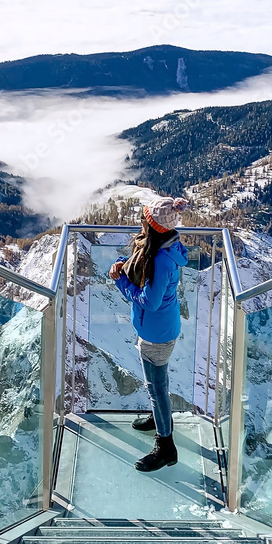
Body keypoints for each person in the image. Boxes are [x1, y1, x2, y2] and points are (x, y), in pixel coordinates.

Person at [109, 197, 189, 472]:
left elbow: (149, 301)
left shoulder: (162, 261)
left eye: (145, 219)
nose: (141, 222)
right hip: (161, 328)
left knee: (156, 389)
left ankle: (165, 446)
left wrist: (121, 282)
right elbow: (140, 267)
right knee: (158, 386)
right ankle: (159, 418)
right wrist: (123, 264)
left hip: (156, 334)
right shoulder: (163, 248)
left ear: (153, 226)